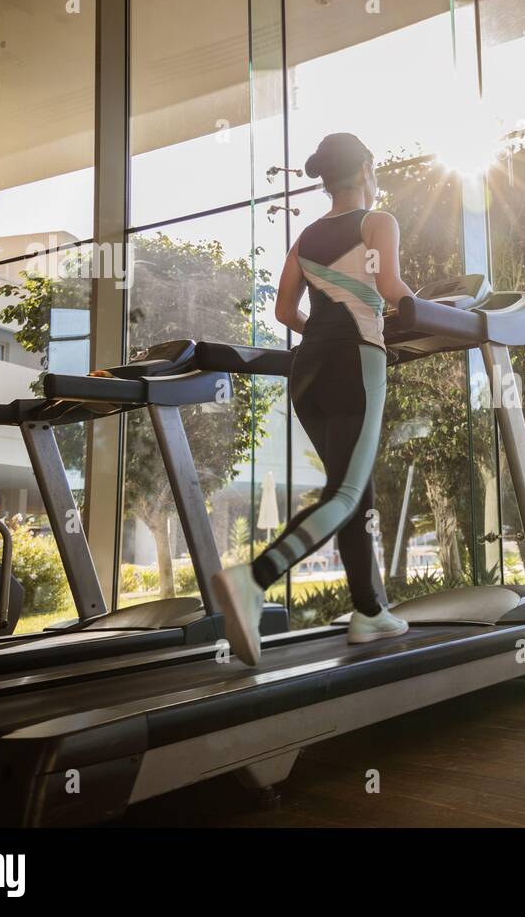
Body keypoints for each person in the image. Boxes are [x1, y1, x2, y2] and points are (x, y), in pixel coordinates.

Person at [212, 132, 414, 665]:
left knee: (350, 491)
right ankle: (253, 579)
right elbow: (391, 285)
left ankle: (369, 611)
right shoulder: (379, 221)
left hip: (308, 372)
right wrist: (425, 310)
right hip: (356, 362)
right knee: (346, 495)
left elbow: (284, 312)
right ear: (368, 167)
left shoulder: (304, 238)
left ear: (326, 180)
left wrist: (321, 335)